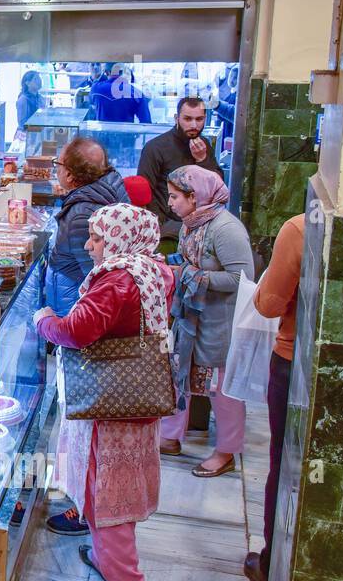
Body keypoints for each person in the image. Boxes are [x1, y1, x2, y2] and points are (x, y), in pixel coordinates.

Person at [34, 203, 175, 581]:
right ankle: (104, 558)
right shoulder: (152, 268)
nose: (90, 245)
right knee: (114, 489)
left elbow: (77, 331)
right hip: (134, 400)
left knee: (107, 496)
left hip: (110, 407)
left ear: (120, 239)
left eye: (98, 237)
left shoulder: (117, 280)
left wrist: (45, 320)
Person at [158, 165, 255, 476]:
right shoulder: (192, 223)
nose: (169, 202)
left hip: (219, 322)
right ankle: (169, 437)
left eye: (175, 197)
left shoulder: (226, 229)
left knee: (221, 389)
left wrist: (191, 275)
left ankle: (226, 451)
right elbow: (189, 259)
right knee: (178, 374)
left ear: (195, 196)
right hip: (190, 317)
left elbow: (242, 278)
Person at [245, 212, 305, 581]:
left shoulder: (300, 227)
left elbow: (269, 303)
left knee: (285, 463)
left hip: (295, 360)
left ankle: (271, 566)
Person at [44, 137, 130, 318]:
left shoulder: (81, 215)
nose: (56, 168)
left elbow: (94, 277)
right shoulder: (112, 184)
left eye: (57, 163)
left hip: (73, 301)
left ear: (69, 175)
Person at [137, 96, 224, 243]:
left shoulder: (204, 145)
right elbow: (145, 192)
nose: (194, 125)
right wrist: (157, 227)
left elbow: (217, 187)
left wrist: (202, 159)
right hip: (168, 226)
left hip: (202, 225)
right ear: (177, 118)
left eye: (199, 119)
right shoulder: (156, 148)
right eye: (188, 119)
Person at [15, 70, 45, 135]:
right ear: (27, 83)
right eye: (35, 79)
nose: (39, 81)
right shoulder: (23, 100)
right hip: (26, 135)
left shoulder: (41, 98)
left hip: (38, 133)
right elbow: (22, 124)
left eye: (39, 78)